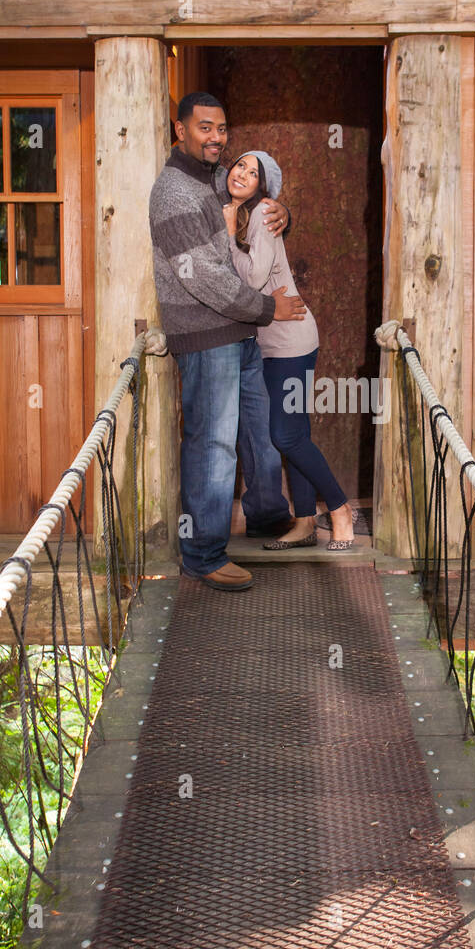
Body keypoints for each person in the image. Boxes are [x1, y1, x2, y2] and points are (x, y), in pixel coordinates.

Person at [148, 93, 308, 592]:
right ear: (180, 130)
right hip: (205, 334)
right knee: (212, 443)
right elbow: (204, 279)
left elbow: (251, 196)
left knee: (257, 433)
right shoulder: (174, 191)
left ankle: (265, 514)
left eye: (221, 129)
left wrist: (280, 211)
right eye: (204, 128)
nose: (215, 137)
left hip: (239, 334)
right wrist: (267, 309)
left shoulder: (212, 178)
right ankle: (202, 554)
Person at [223, 151, 355, 551]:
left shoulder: (262, 213)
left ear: (265, 187)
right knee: (295, 433)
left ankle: (339, 509)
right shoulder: (249, 212)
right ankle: (303, 522)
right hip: (273, 345)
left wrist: (230, 236)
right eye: (240, 166)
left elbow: (254, 276)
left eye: (253, 172)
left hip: (290, 343)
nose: (243, 174)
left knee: (285, 436)